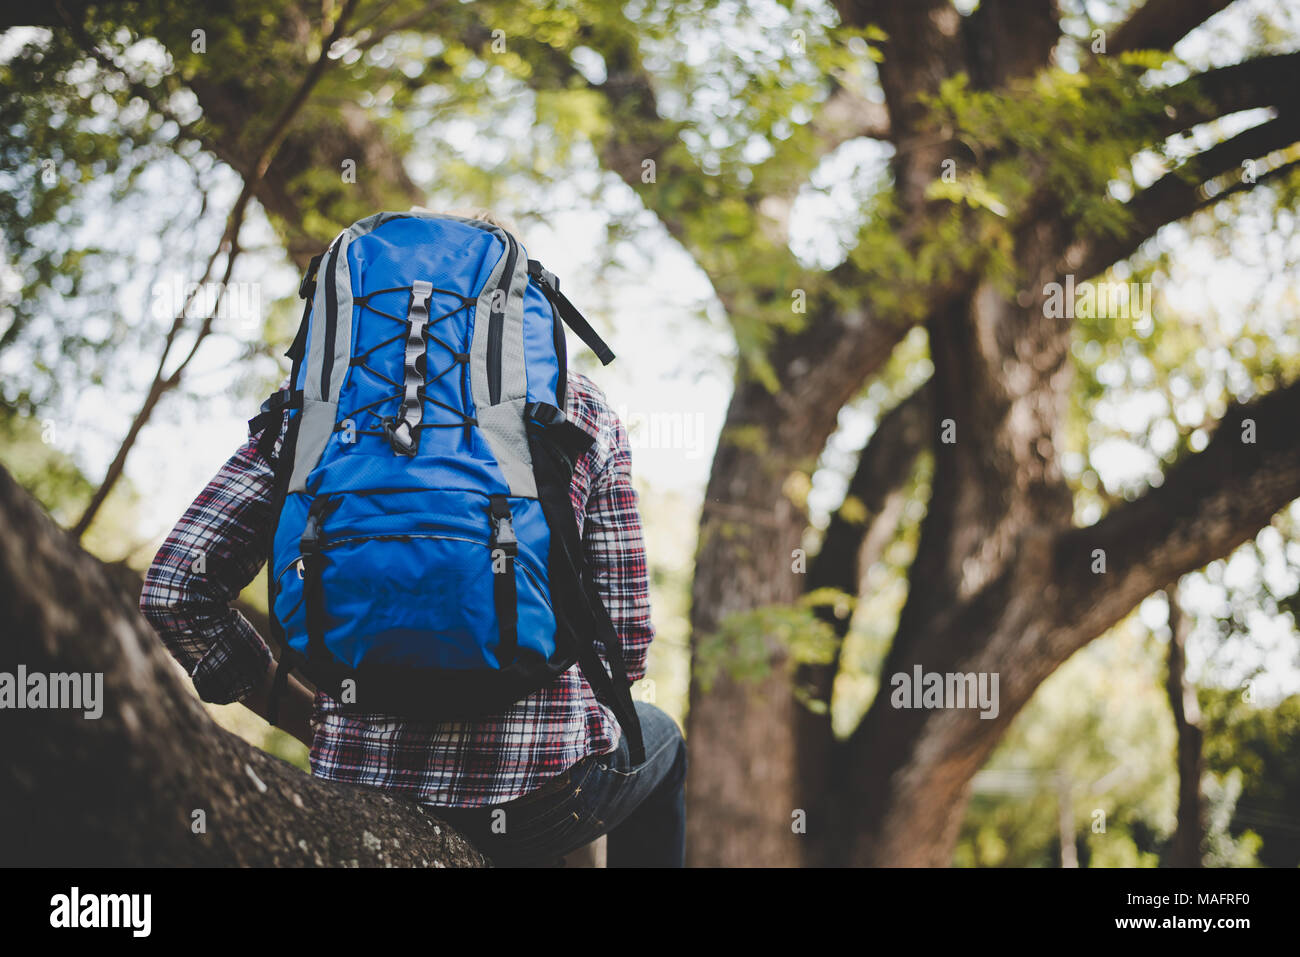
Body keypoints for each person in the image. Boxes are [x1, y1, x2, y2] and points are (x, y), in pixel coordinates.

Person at [139, 208, 686, 867]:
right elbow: (625, 645)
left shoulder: (313, 403)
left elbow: (175, 588)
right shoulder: (578, 405)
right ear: (512, 302)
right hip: (537, 800)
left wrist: (300, 711)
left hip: (358, 789)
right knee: (663, 742)